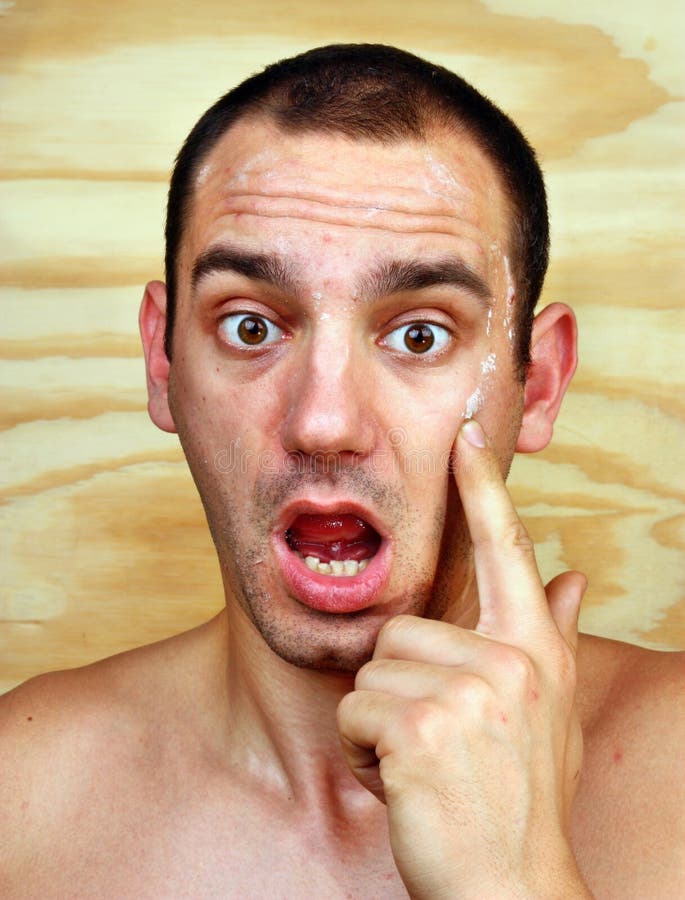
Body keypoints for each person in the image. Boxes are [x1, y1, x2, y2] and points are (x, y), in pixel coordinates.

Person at [1, 43, 683, 898]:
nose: (323, 421)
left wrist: (511, 877)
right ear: (161, 359)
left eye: (419, 336)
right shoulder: (19, 802)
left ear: (536, 384)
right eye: (251, 327)